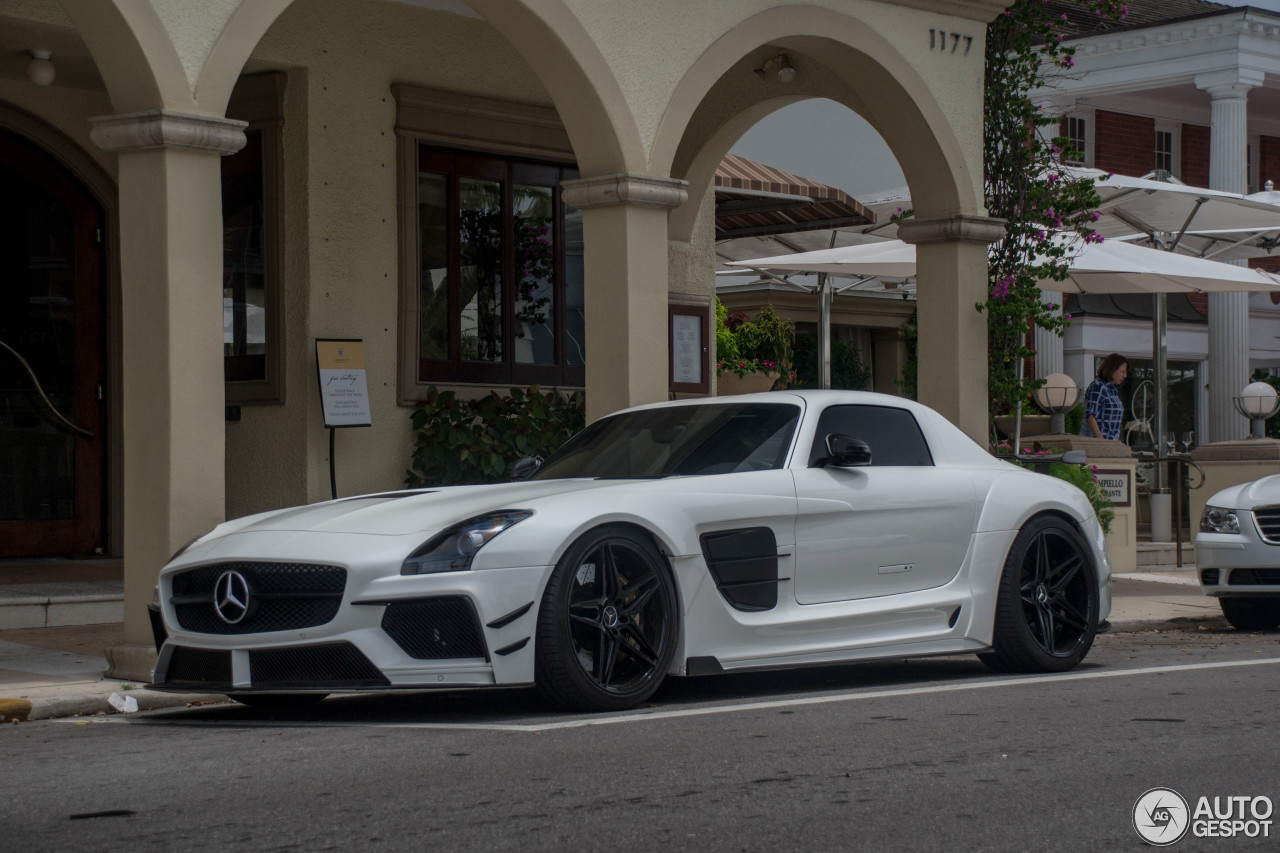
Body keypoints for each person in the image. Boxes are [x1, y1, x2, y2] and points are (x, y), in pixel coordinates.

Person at [1080, 353, 1128, 440]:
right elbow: (1090, 414)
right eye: (1122, 372)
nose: (1125, 376)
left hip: (1110, 443)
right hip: (1096, 444)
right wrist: (1099, 438)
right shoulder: (1098, 387)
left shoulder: (1112, 391)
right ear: (1112, 369)